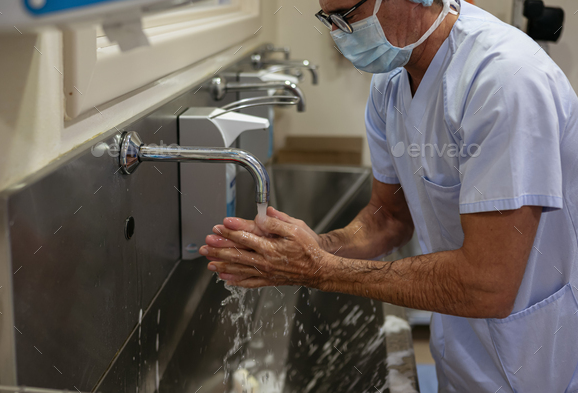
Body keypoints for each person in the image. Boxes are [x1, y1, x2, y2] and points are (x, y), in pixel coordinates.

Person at [199, 0, 578, 391]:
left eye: (346, 15)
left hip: (542, 361)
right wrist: (320, 247)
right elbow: (387, 219)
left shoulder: (504, 79)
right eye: (328, 19)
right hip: (462, 353)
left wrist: (319, 270)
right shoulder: (392, 79)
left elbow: (488, 284)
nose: (337, 33)